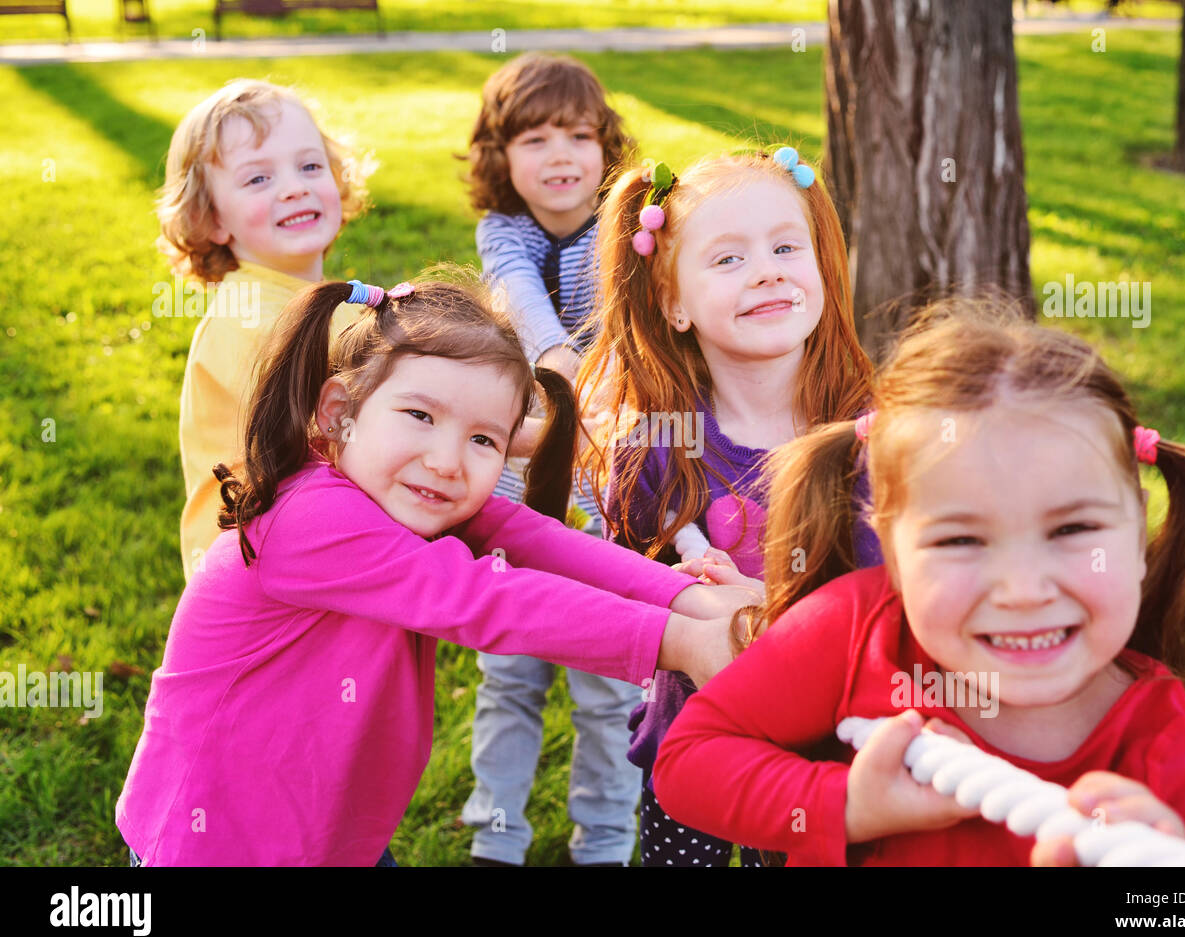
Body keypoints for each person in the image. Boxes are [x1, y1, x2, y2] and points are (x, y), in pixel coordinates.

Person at [115, 276, 748, 866]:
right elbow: (487, 600)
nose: (448, 461)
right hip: (222, 837)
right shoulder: (310, 518)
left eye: (483, 440)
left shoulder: (397, 493)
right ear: (339, 412)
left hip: (328, 833)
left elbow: (539, 541)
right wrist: (685, 644)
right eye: (420, 416)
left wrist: (692, 600)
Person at [652, 301, 1185, 866]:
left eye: (1072, 528)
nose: (1022, 590)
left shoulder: (1180, 784)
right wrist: (850, 806)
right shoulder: (857, 630)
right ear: (890, 542)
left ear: (1135, 528)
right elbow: (688, 762)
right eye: (962, 541)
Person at [577, 147, 881, 865]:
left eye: (785, 247)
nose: (768, 270)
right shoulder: (657, 447)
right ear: (673, 304)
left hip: (827, 749)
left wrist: (770, 606)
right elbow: (631, 593)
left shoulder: (872, 440)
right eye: (728, 259)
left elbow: (893, 600)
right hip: (695, 743)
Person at [458, 52, 644, 866]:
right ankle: (496, 837)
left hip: (608, 493)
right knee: (510, 678)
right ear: (501, 159)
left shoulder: (628, 233)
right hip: (517, 491)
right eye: (535, 139)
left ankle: (603, 844)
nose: (561, 156)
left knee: (610, 692)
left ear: (607, 147)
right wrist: (556, 355)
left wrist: (584, 363)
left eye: (579, 135)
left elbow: (626, 305)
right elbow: (514, 287)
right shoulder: (502, 231)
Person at [156, 78, 375, 579]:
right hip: (259, 574)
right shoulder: (250, 320)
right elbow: (335, 440)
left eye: (310, 166)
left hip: (318, 547)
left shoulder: (327, 303)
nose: (294, 186)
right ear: (212, 219)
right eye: (258, 179)